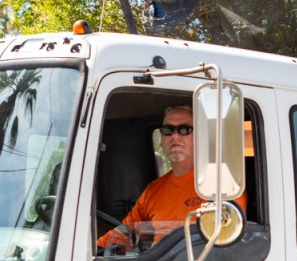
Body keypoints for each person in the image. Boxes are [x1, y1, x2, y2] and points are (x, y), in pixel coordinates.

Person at [98, 105, 245, 251]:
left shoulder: (223, 184)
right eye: (168, 130)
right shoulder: (154, 190)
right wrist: (95, 250)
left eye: (185, 129)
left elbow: (227, 243)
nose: (175, 136)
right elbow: (125, 234)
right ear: (161, 140)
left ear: (202, 137)